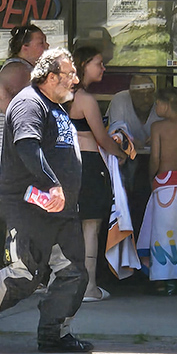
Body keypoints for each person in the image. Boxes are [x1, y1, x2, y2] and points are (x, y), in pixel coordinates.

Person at [0, 48, 93, 354]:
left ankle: (53, 335)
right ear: (52, 76)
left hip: (61, 209)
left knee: (73, 272)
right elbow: (27, 146)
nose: (76, 80)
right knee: (25, 274)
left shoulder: (55, 106)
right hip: (30, 206)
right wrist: (52, 184)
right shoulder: (29, 103)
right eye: (70, 74)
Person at [67, 46, 127, 302]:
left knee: (65, 228)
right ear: (83, 65)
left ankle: (59, 283)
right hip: (89, 165)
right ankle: (89, 286)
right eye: (99, 63)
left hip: (64, 166)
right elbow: (101, 138)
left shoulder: (57, 96)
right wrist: (121, 154)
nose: (103, 68)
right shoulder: (85, 100)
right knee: (90, 226)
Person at [137, 87, 177, 296]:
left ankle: (161, 281)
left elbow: (155, 157)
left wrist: (151, 177)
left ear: (166, 104)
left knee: (162, 232)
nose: (156, 107)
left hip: (164, 184)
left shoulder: (157, 128)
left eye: (158, 103)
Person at [107, 74, 162, 232]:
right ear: (131, 94)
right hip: (126, 159)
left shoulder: (160, 104)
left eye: (149, 94)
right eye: (140, 95)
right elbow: (116, 131)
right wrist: (130, 141)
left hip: (155, 160)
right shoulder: (120, 100)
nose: (146, 100)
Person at [0, 24, 49, 170]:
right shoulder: (18, 67)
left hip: (16, 163)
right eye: (41, 42)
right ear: (25, 47)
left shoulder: (26, 68)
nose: (47, 46)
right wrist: (22, 121)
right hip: (13, 165)